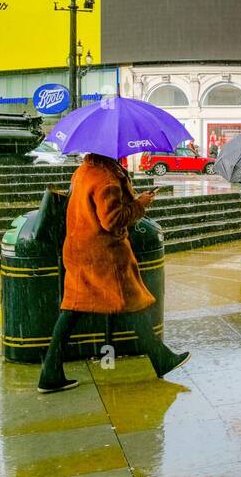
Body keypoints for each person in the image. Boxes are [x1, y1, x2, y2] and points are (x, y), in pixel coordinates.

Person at [38, 154, 189, 393]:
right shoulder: (106, 178)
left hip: (79, 247)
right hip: (103, 255)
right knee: (130, 302)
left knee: (76, 307)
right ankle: (160, 358)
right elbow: (112, 220)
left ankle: (50, 372)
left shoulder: (85, 170)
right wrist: (140, 204)